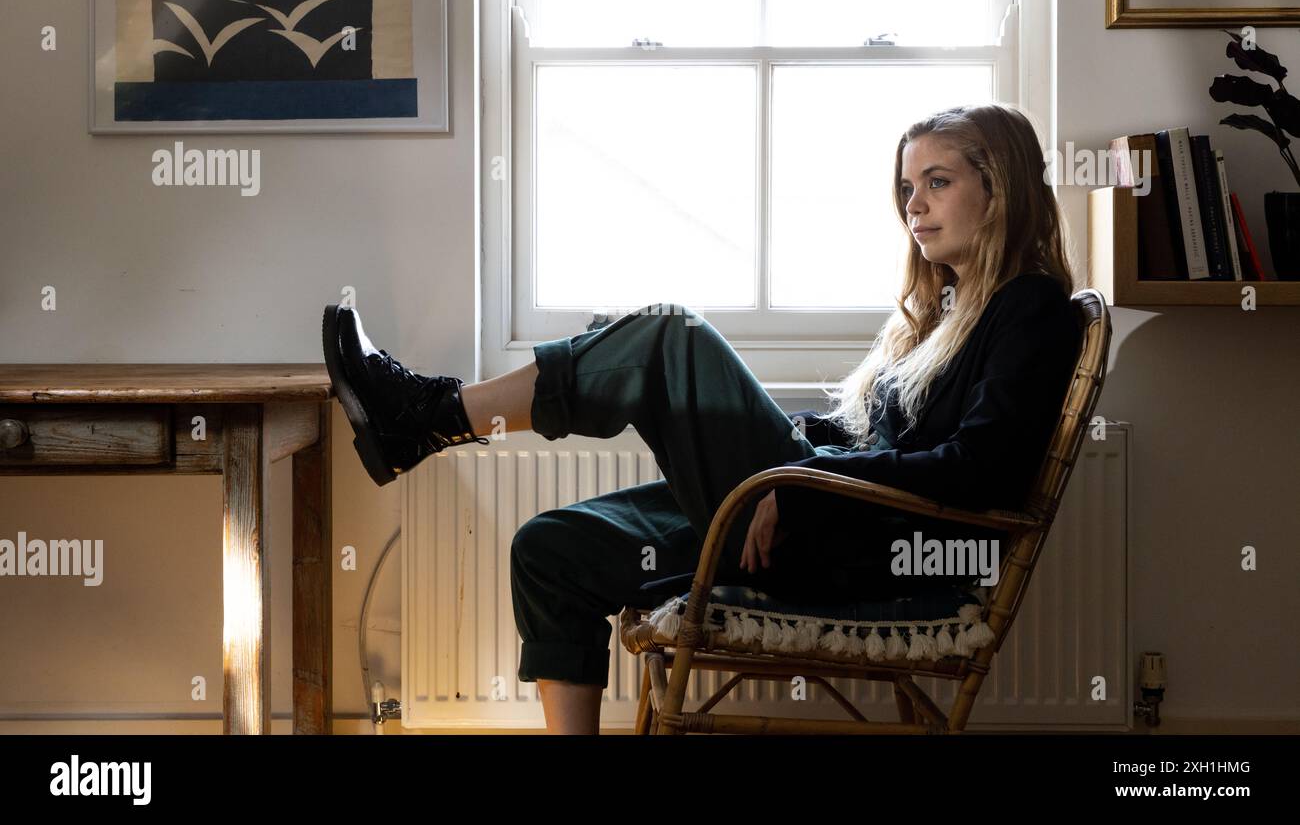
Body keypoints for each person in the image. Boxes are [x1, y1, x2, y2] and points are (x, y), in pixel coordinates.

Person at [321, 101, 1083, 734]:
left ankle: (432, 414)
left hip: (861, 544)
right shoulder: (941, 314)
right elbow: (873, 437)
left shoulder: (1030, 310)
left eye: (937, 181)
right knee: (549, 547)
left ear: (1001, 188)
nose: (913, 205)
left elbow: (982, 468)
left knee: (667, 337)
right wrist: (811, 451)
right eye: (908, 185)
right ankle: (429, 417)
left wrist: (809, 478)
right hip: (819, 513)